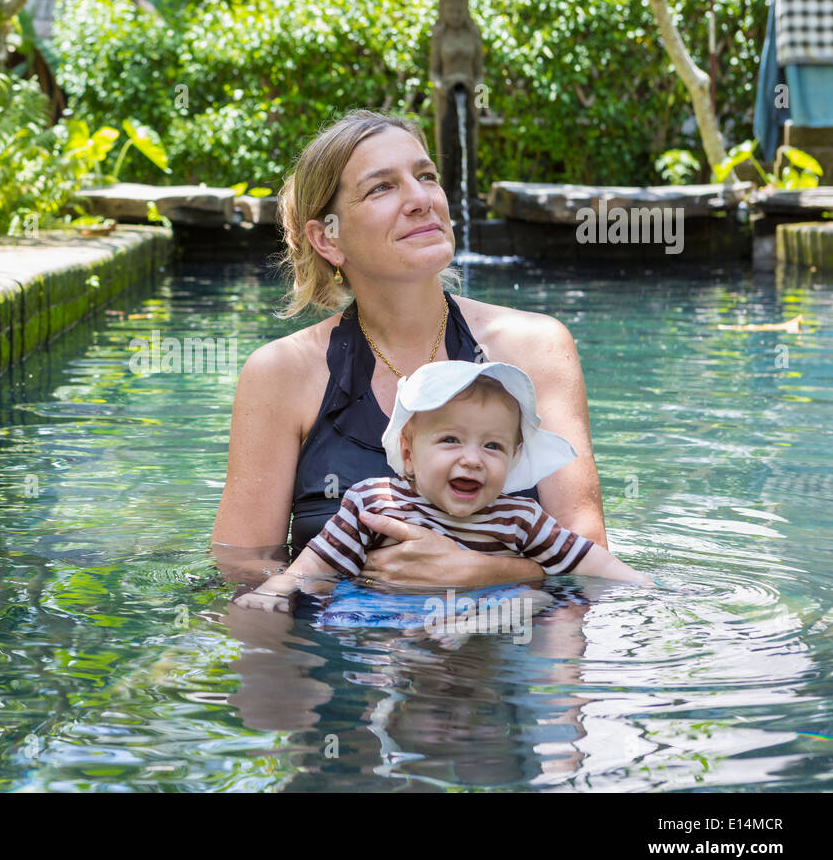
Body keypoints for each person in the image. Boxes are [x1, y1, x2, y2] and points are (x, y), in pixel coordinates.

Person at [210, 109, 610, 588]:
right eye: (382, 187)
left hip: (504, 653)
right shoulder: (282, 373)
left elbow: (593, 563)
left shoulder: (534, 348)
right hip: (335, 652)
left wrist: (481, 572)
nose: (421, 199)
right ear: (327, 238)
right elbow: (243, 573)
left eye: (426, 177)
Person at [235, 361, 651, 612]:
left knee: (531, 600)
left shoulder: (519, 518)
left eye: (493, 446)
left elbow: (588, 561)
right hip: (380, 612)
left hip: (480, 618)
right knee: (339, 606)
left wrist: (645, 588)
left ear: (512, 459)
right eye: (451, 440)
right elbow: (318, 560)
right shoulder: (376, 500)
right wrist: (276, 590)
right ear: (409, 453)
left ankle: (459, 630)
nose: (472, 458)